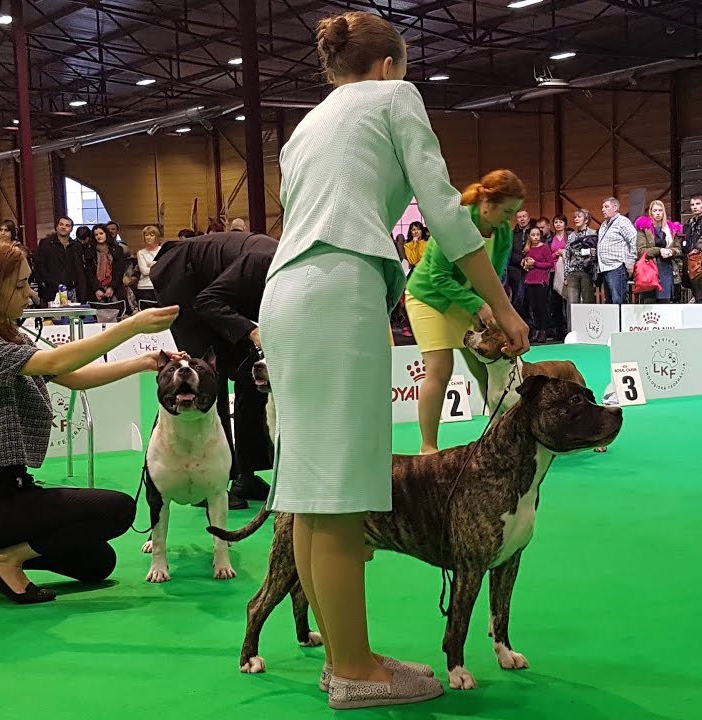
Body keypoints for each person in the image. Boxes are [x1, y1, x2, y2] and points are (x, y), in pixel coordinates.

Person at [258, 11, 529, 710]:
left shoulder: (306, 126)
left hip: (286, 296)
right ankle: (354, 670)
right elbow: (445, 212)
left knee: (313, 495)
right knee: (344, 497)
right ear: (387, 66)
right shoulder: (394, 98)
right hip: (338, 290)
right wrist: (502, 308)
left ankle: (346, 655)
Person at [0, 236, 180, 604]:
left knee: (99, 563)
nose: (30, 295)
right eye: (19, 285)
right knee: (117, 510)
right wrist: (132, 327)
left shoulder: (5, 335)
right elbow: (55, 363)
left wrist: (144, 363)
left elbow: (73, 377)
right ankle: (5, 558)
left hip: (15, 491)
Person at [149, 230, 278, 509]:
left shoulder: (287, 273)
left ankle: (246, 473)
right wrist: (253, 333)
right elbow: (207, 302)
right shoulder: (263, 260)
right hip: (183, 280)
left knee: (251, 376)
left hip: (218, 293)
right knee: (206, 380)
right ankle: (208, 485)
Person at [406, 169, 527, 454]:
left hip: (468, 300)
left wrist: (496, 308)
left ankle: (504, 439)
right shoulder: (455, 221)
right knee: (440, 368)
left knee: (488, 369)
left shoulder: (502, 231)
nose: (509, 219)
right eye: (506, 210)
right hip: (429, 299)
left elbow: (493, 277)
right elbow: (438, 278)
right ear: (487, 203)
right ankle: (429, 448)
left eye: (514, 212)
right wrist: (479, 305)